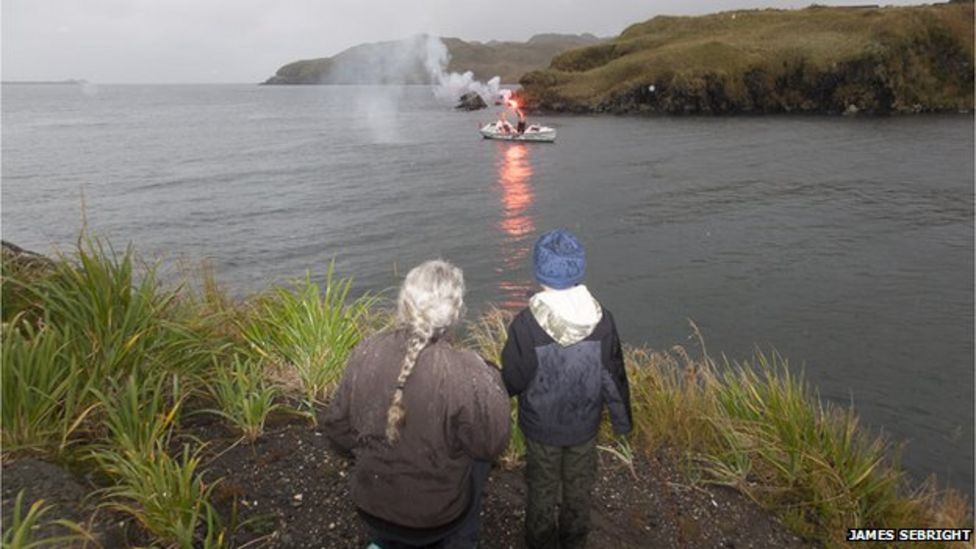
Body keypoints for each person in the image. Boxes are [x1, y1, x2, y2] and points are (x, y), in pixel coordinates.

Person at [324, 260, 511, 549]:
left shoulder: (366, 352)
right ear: (456, 311)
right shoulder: (466, 371)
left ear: (404, 304)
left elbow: (337, 429)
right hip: (436, 518)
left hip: (372, 507)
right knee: (478, 462)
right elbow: (491, 445)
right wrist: (491, 381)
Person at [500, 229, 632, 549]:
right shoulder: (602, 320)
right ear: (579, 269)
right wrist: (622, 422)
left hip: (540, 429)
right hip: (584, 427)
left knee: (541, 492)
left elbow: (513, 380)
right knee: (578, 492)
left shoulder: (526, 324)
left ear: (539, 270)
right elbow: (613, 375)